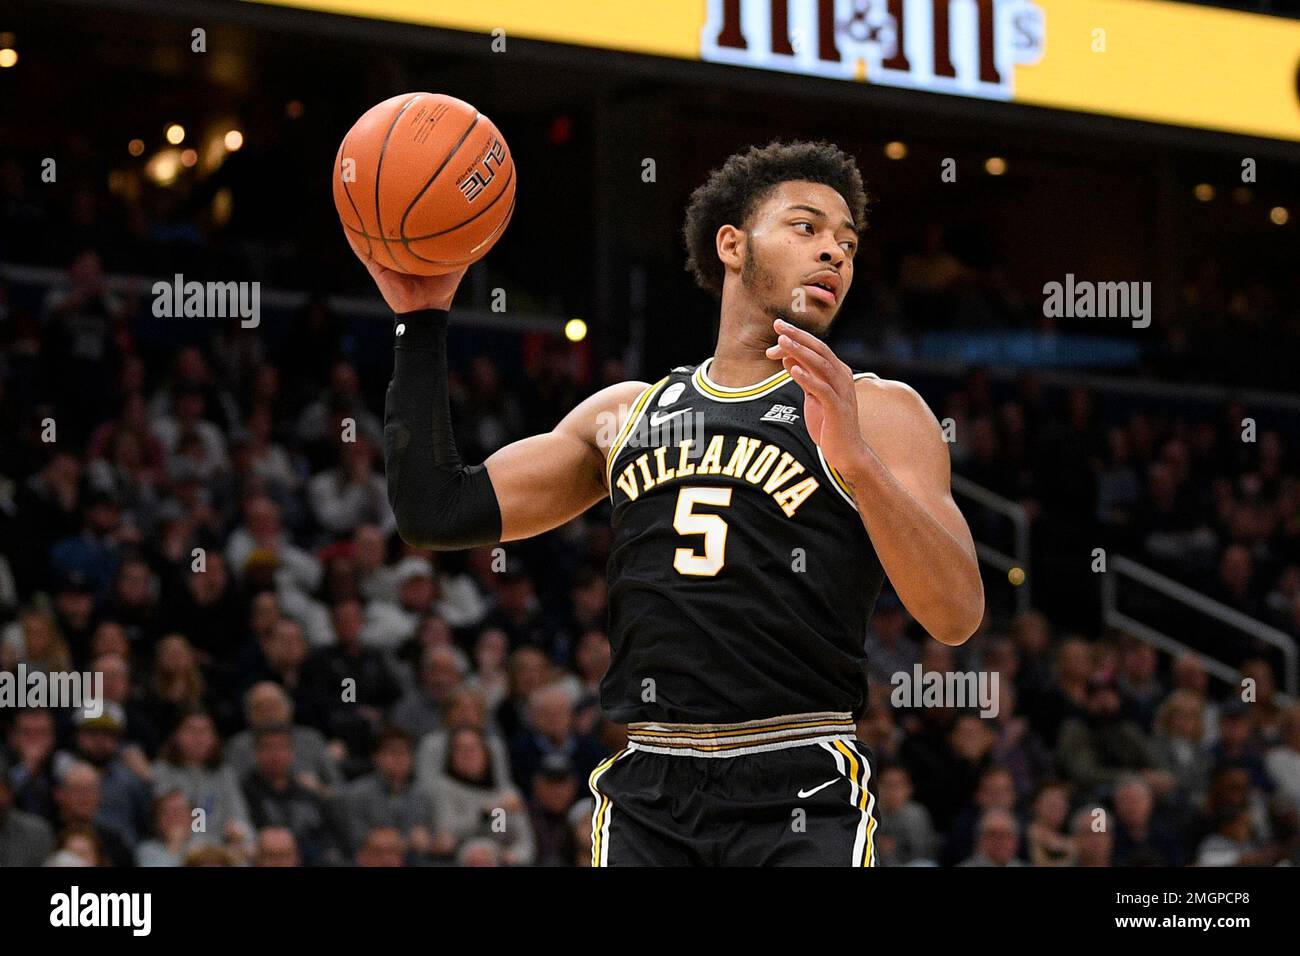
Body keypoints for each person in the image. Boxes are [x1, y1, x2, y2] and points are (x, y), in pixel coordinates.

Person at [366, 140, 983, 866]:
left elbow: (957, 611)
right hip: (649, 789)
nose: (835, 254)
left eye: (847, 243)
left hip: (798, 780)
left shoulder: (877, 409)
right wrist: (421, 322)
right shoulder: (628, 411)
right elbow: (436, 510)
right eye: (806, 227)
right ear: (731, 244)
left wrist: (855, 461)